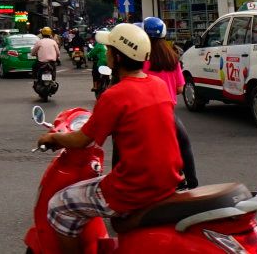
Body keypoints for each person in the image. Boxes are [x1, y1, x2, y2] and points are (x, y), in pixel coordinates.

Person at [38, 23, 183, 253]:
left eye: (109, 50)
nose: (105, 53)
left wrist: (53, 139)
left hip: (134, 188)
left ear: (117, 56)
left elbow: (82, 140)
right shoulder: (157, 85)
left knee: (58, 206)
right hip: (167, 181)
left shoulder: (114, 95)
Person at [142, 16, 198, 189]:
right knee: (184, 144)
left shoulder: (142, 58)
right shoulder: (172, 57)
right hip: (168, 112)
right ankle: (193, 182)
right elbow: (181, 88)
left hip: (146, 112)